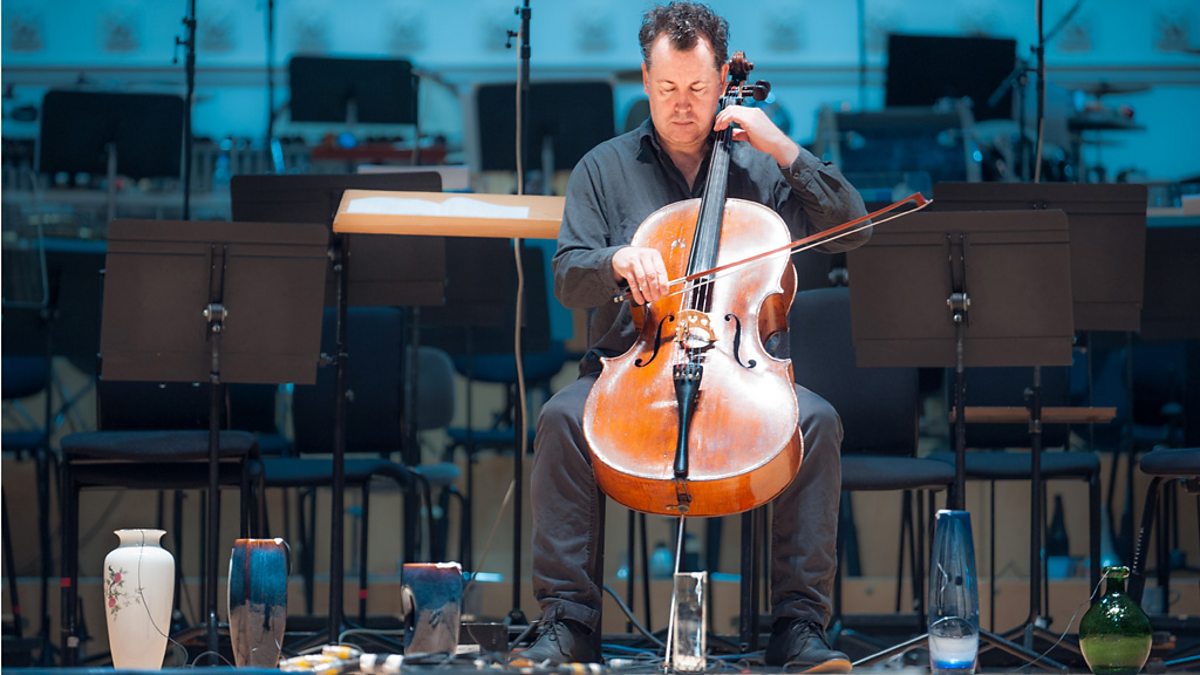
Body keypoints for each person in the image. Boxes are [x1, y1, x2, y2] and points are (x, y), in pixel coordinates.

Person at [521, 2, 869, 670]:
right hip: (631, 370)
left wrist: (782, 147)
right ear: (646, 83)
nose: (682, 106)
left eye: (699, 90)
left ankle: (798, 629)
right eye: (667, 90)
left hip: (742, 373)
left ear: (721, 85)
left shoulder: (764, 170)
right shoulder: (602, 168)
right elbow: (568, 277)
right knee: (562, 419)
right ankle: (567, 622)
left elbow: (855, 231)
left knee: (815, 424)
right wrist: (617, 261)